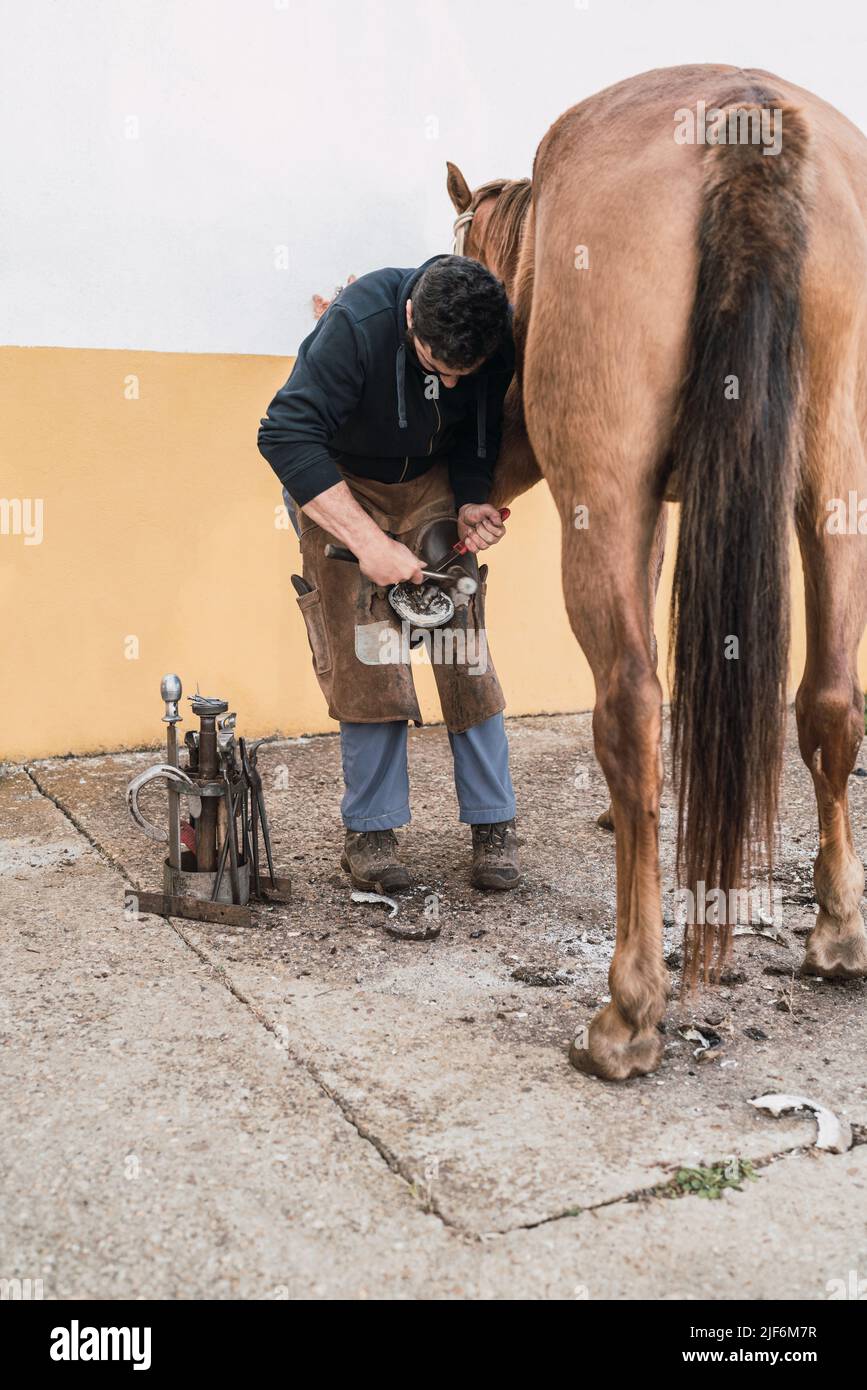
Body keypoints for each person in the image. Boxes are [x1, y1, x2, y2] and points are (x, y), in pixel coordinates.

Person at [258, 254, 520, 892]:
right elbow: (283, 433)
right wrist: (369, 543)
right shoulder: (358, 324)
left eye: (467, 374)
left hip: (426, 481)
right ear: (409, 321)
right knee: (371, 650)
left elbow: (478, 429)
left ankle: (493, 825)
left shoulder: (490, 331)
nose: (452, 386)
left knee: (463, 646)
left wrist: (471, 499)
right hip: (342, 483)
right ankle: (371, 834)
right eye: (438, 369)